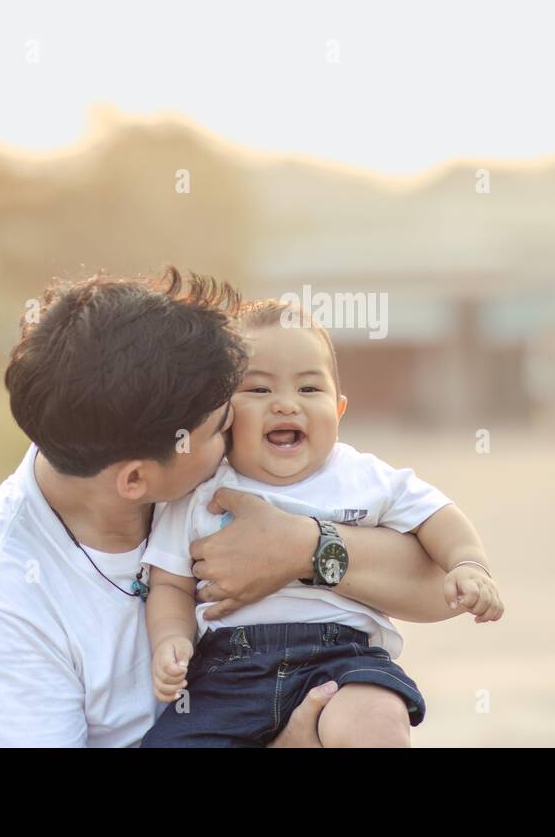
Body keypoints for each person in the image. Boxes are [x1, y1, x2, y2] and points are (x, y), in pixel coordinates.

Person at [0, 267, 454, 747]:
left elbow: (438, 590)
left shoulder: (181, 440)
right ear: (136, 478)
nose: (237, 432)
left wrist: (307, 548)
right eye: (217, 428)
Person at [141, 299, 503, 747]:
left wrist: (469, 564)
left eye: (309, 390)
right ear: (224, 415)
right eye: (259, 390)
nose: (286, 406)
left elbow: (436, 513)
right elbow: (170, 584)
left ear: (339, 410)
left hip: (342, 658)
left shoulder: (361, 475)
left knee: (375, 717)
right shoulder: (199, 490)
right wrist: (170, 641)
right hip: (228, 670)